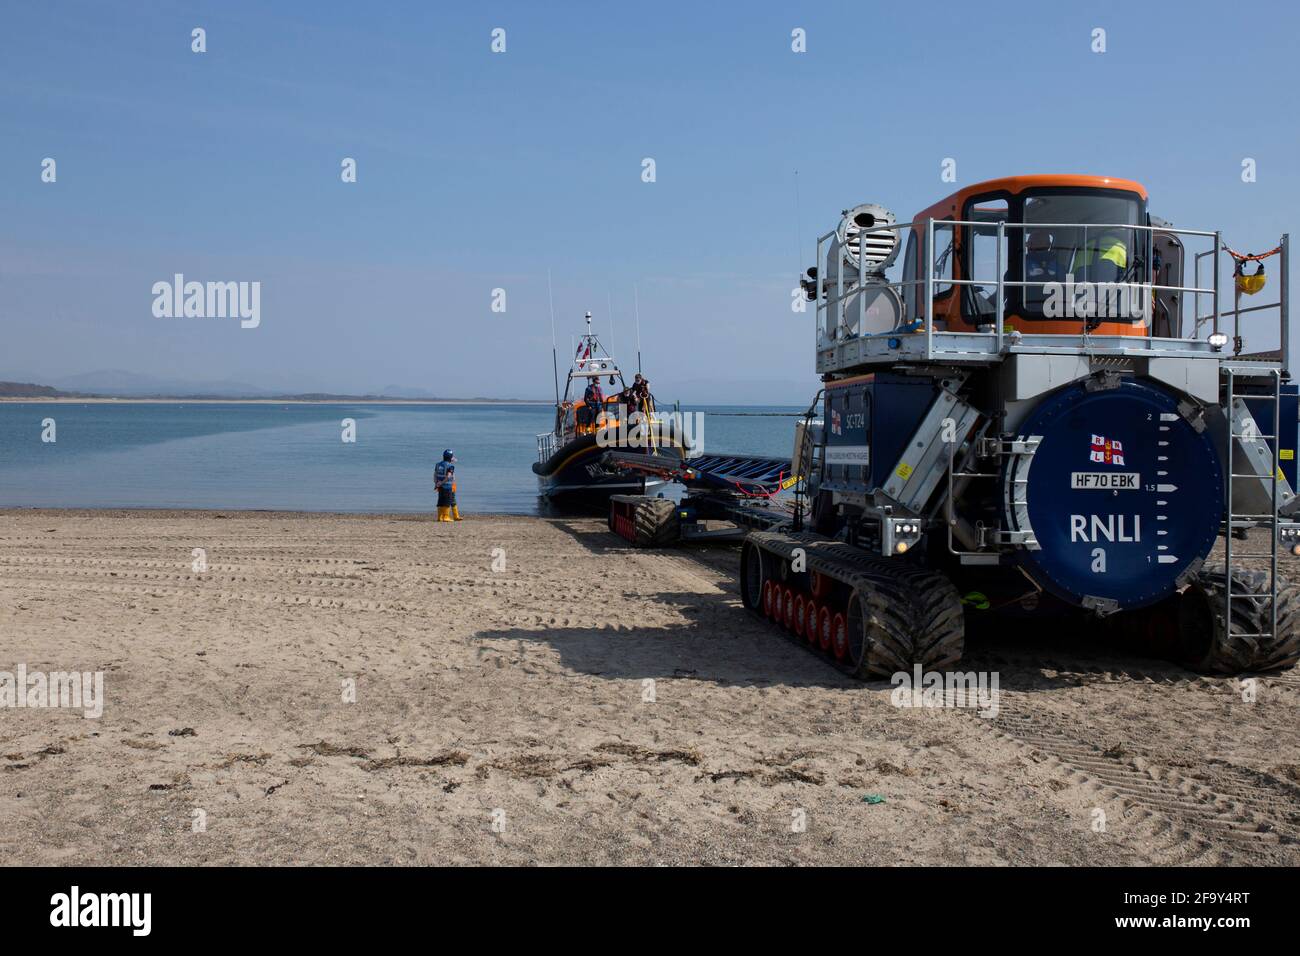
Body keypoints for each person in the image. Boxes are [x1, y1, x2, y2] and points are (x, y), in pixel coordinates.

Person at [435, 449, 462, 522]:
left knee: (441, 501)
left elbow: (435, 475)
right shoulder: (450, 466)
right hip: (448, 485)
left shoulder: (438, 464)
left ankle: (440, 517)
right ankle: (446, 517)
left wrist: (437, 483)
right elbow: (449, 476)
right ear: (450, 458)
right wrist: (442, 482)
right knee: (447, 501)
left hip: (440, 485)